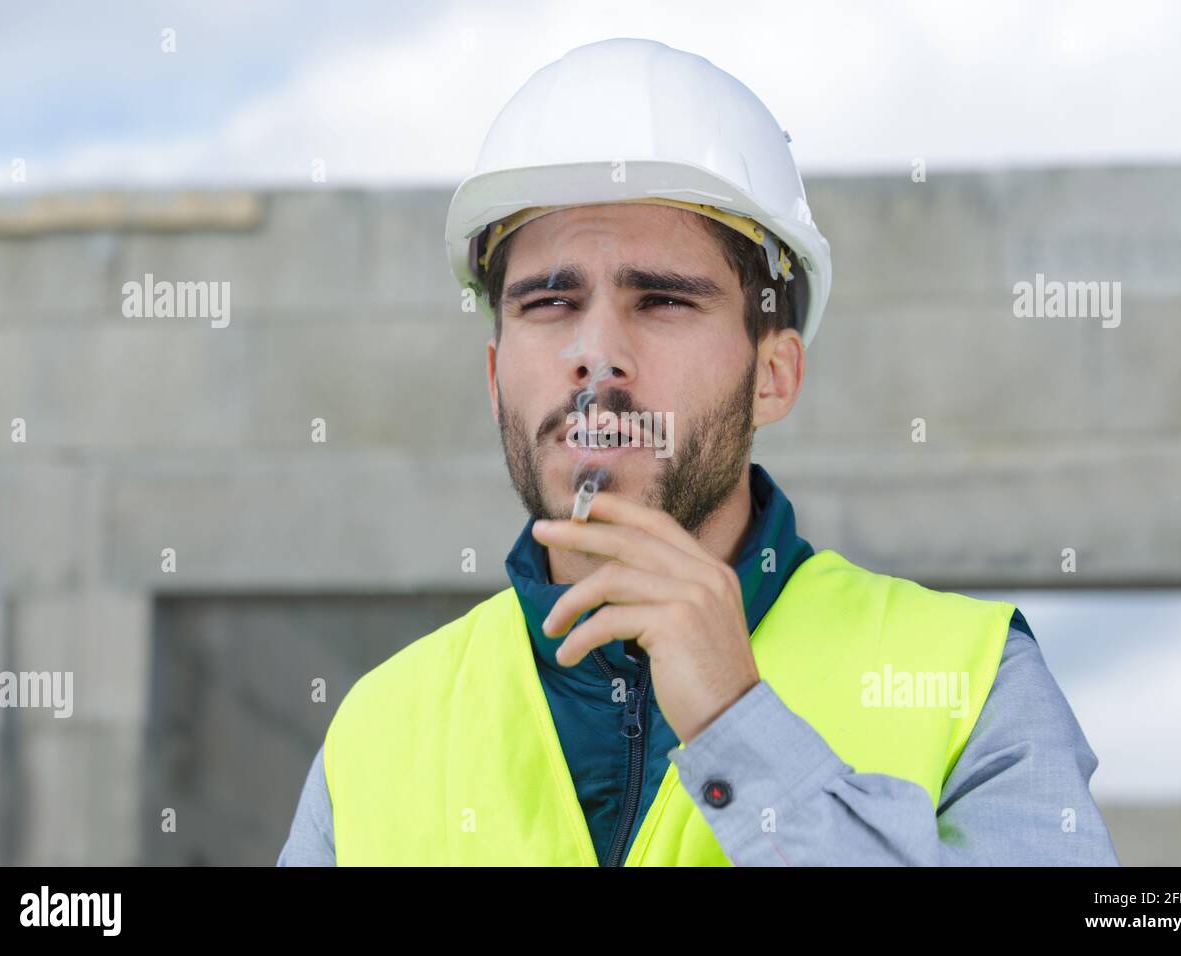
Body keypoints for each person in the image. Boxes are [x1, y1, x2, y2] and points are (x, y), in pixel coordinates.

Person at [278, 37, 1119, 866]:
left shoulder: (968, 682)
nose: (597, 352)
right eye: (548, 302)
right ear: (497, 377)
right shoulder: (378, 732)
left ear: (773, 375)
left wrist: (738, 728)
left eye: (663, 301)